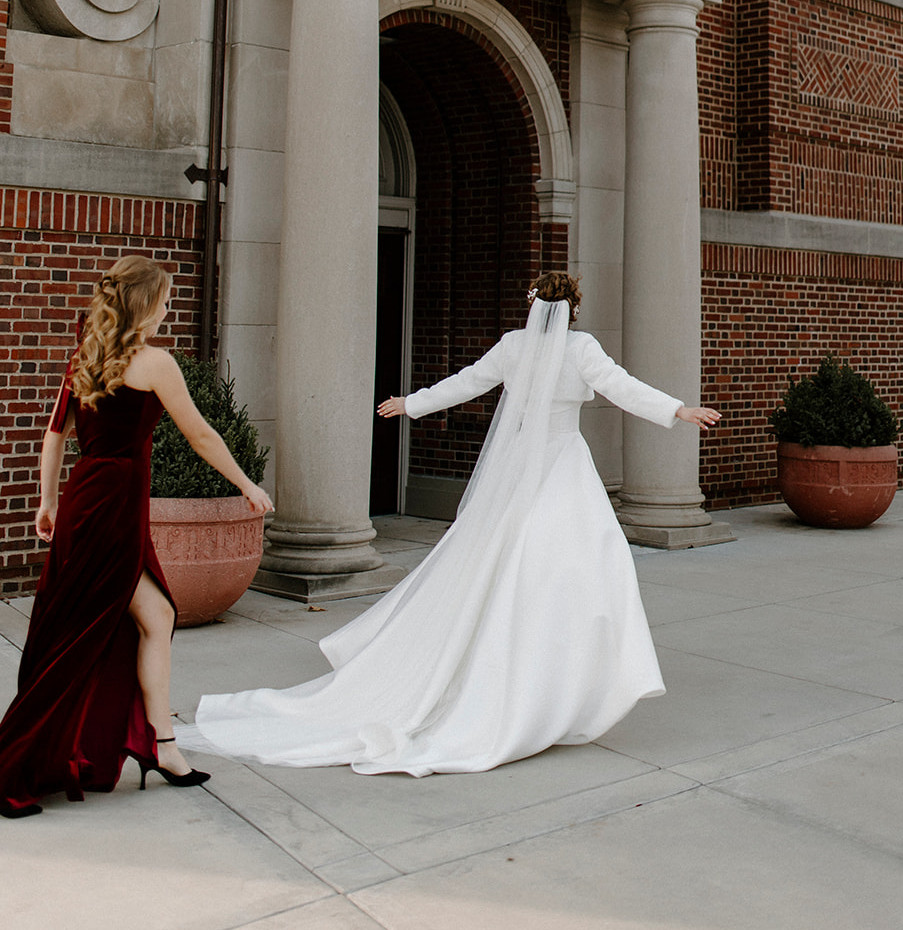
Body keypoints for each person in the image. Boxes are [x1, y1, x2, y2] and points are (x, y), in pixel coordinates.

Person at [184, 271, 720, 777]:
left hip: (516, 469)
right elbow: (622, 387)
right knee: (574, 565)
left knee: (514, 562)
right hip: (562, 465)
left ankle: (537, 678)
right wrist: (678, 411)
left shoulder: (514, 345)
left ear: (533, 305)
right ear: (573, 310)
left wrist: (412, 403)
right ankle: (551, 684)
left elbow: (466, 383)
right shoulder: (581, 349)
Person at [0, 255, 273, 818]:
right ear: (145, 305)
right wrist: (247, 483)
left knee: (156, 617)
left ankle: (162, 749)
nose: (169, 309)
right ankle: (13, 764)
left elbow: (54, 438)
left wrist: (49, 503)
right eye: (166, 300)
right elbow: (199, 433)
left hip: (87, 502)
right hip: (113, 510)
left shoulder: (89, 356)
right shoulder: (154, 362)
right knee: (74, 639)